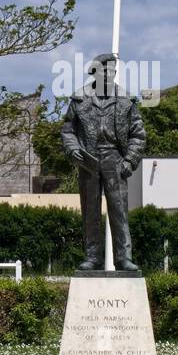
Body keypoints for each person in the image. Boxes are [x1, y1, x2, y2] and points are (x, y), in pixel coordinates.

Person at [60, 53, 146, 270]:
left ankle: (123, 257)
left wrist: (130, 160)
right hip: (88, 160)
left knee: (119, 210)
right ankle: (92, 257)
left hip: (115, 159)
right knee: (90, 211)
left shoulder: (126, 100)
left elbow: (138, 134)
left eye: (113, 71)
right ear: (95, 72)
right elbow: (67, 130)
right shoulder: (79, 99)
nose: (110, 75)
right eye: (105, 71)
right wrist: (72, 148)